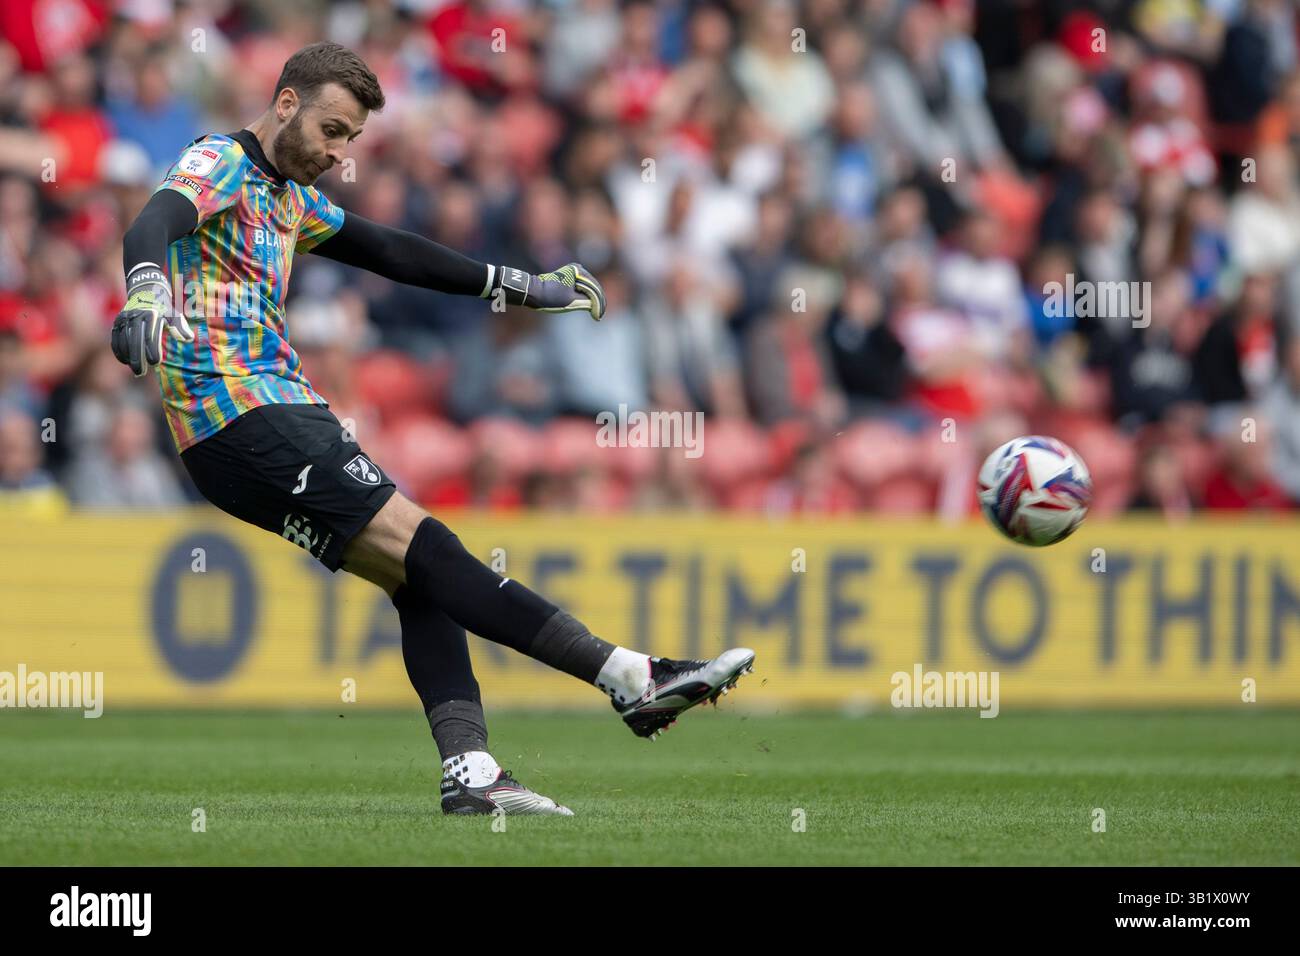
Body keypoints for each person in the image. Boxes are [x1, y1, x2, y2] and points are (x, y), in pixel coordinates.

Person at [108, 42, 754, 816]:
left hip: (242, 433)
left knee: (419, 576)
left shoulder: (286, 196)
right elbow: (156, 220)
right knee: (431, 550)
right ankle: (630, 678)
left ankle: (472, 773)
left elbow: (391, 251)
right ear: (286, 104)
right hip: (244, 411)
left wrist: (525, 288)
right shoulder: (222, 161)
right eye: (332, 130)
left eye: (351, 139)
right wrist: (145, 289)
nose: (339, 154)